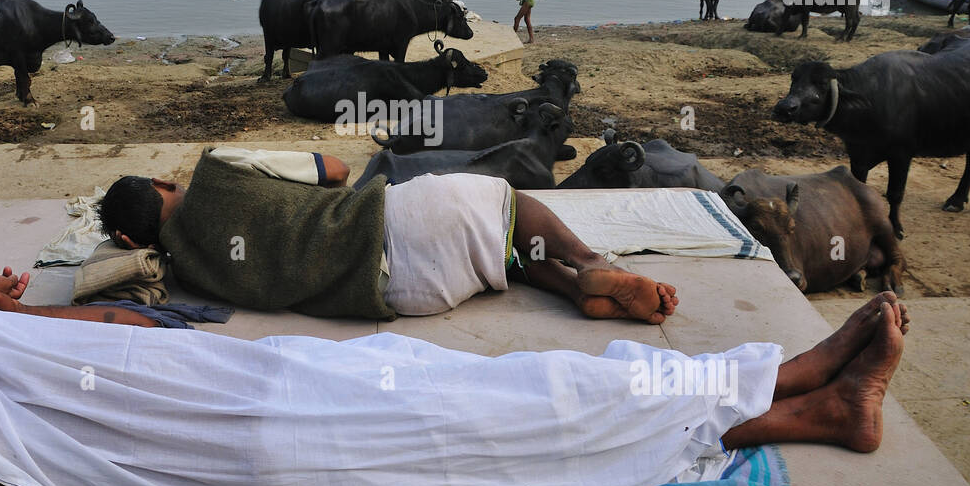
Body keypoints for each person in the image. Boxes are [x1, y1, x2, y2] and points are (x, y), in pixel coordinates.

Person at [0, 261, 908, 486]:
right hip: (285, 434)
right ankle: (783, 377)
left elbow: (123, 336)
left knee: (528, 434)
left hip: (288, 427)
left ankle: (804, 401)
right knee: (541, 396)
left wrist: (2, 305)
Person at [99, 146, 679, 324]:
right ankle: (590, 260)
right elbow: (335, 170)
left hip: (405, 295)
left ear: (133, 242)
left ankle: (581, 292)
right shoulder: (217, 167)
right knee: (505, 204)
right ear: (161, 181)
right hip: (394, 223)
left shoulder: (187, 273)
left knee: (501, 251)